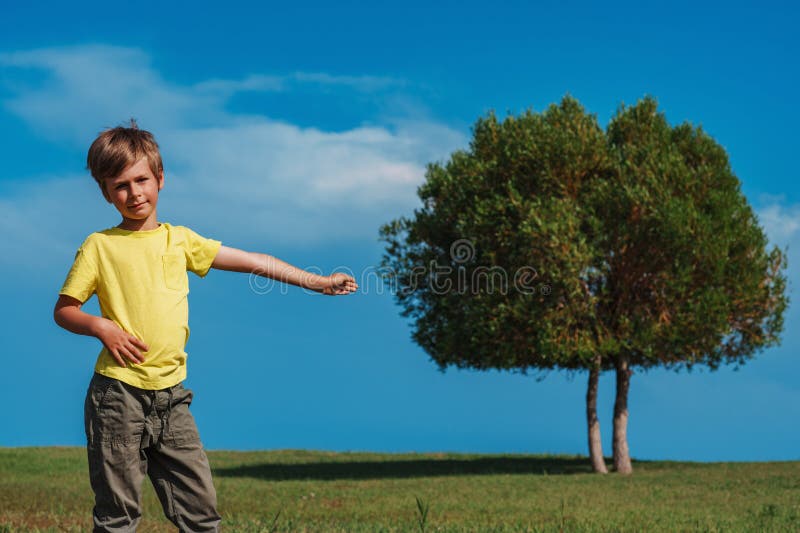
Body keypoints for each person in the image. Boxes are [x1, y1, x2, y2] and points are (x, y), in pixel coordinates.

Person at [53, 120, 358, 532]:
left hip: (172, 398)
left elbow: (251, 261)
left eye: (141, 179)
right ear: (106, 193)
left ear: (160, 178)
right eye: (120, 185)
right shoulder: (99, 246)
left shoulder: (180, 241)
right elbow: (65, 310)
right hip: (117, 397)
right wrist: (101, 327)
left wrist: (317, 281)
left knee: (200, 511)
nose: (134, 193)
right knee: (118, 513)